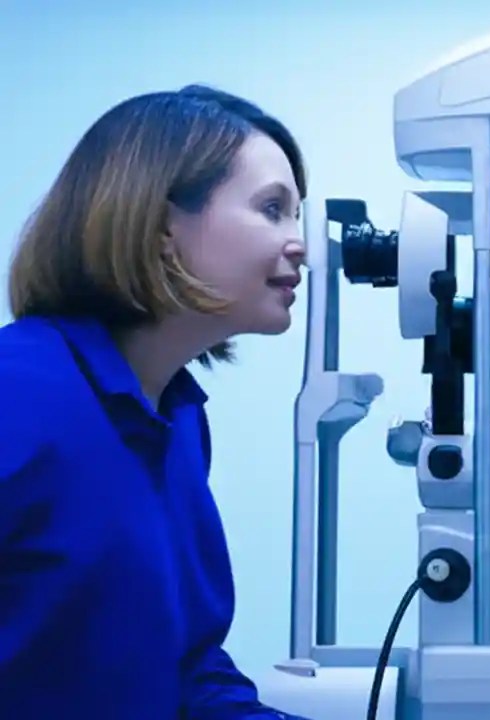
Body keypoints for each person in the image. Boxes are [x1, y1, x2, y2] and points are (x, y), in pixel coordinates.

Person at [0, 85, 311, 718]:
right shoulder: (18, 394)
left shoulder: (177, 420)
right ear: (163, 227)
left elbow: (189, 672)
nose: (299, 243)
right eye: (272, 209)